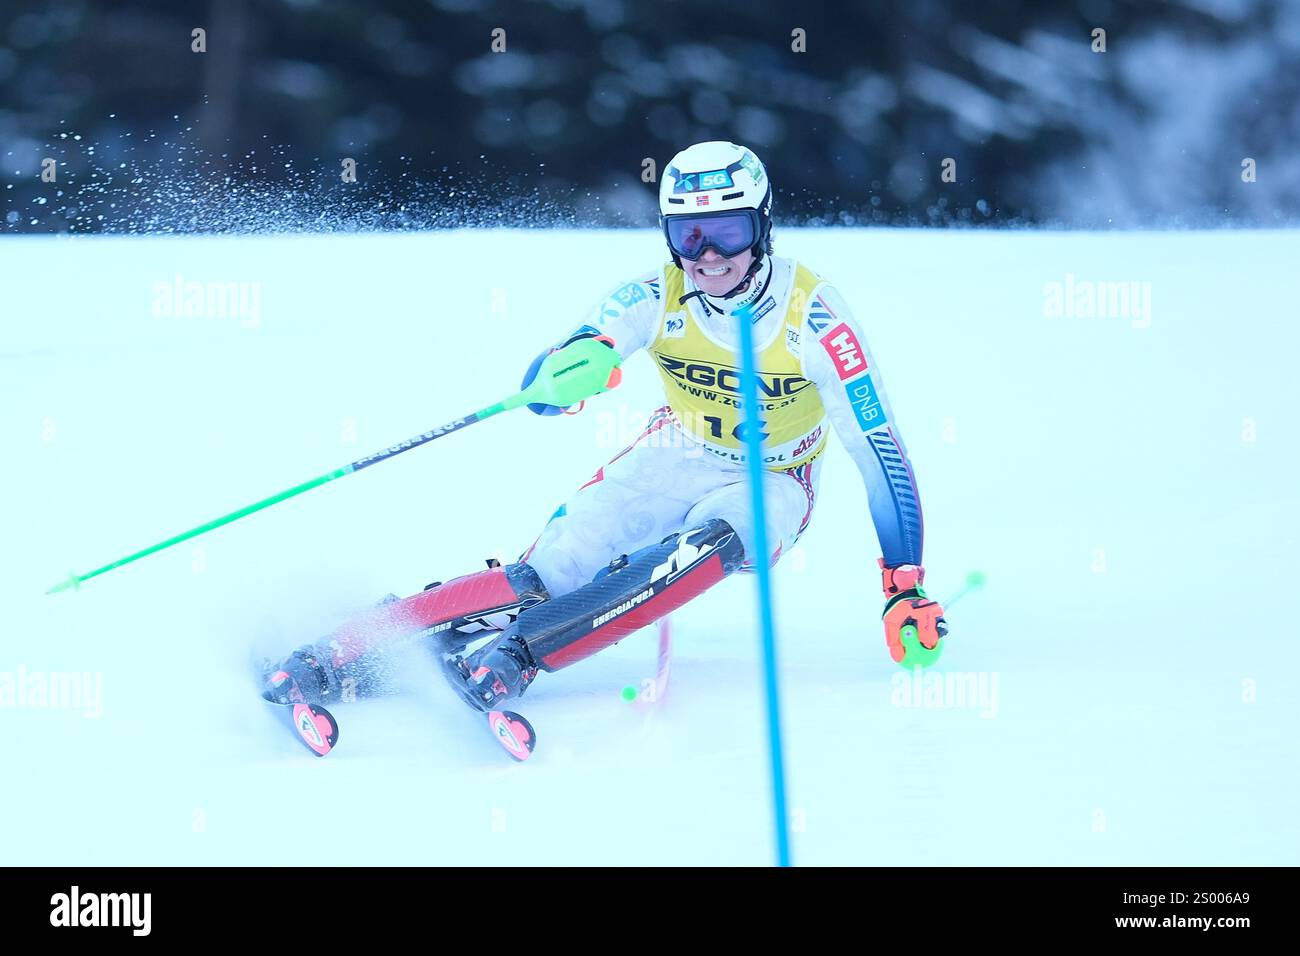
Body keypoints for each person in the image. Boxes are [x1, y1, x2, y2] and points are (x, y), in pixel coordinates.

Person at [269, 141, 947, 713]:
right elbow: (571, 361)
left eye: (729, 232)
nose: (709, 255)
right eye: (688, 234)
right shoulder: (657, 294)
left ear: (763, 225)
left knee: (712, 544)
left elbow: (878, 449)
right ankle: (349, 645)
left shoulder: (816, 319)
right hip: (678, 450)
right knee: (548, 574)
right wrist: (567, 373)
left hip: (776, 477)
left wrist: (904, 584)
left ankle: (522, 654)